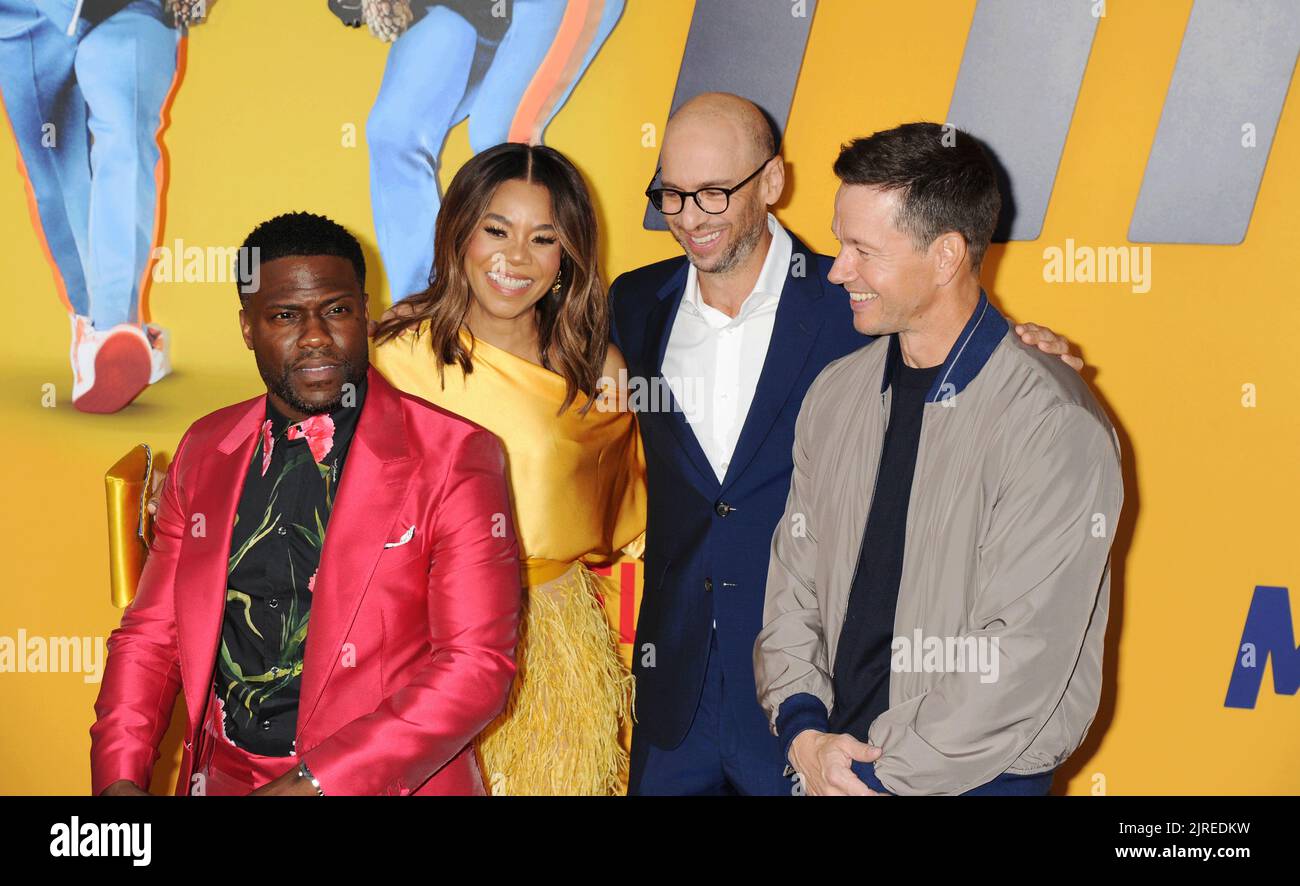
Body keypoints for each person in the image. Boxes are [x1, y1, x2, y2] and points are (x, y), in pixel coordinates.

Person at [610, 92, 1083, 795]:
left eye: (712, 192)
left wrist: (1029, 346)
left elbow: (954, 329)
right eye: (670, 194)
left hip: (821, 708)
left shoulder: (854, 304)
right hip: (676, 694)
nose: (687, 216)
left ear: (771, 183)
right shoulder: (632, 303)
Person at [91, 212, 521, 795]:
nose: (315, 335)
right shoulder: (206, 447)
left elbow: (473, 670)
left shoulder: (454, 457)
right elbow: (152, 634)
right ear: (248, 328)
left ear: (366, 313)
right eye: (285, 316)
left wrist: (314, 785)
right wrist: (119, 775)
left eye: (337, 310)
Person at [757, 122, 1123, 796]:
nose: (838, 270)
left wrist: (874, 772)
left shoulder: (1050, 421)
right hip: (830, 766)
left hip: (975, 780)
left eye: (863, 250)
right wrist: (806, 733)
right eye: (841, 244)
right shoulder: (836, 394)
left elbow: (1018, 659)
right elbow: (793, 586)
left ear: (947, 254)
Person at [372, 142, 643, 795]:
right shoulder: (394, 357)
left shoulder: (596, 370)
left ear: (566, 257)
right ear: (459, 232)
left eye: (543, 238)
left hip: (555, 652)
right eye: (496, 230)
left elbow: (627, 519)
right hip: (420, 645)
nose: (515, 257)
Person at [0, 0, 202, 413]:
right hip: (23, 16)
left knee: (123, 134)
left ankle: (113, 328)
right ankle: (95, 326)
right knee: (55, 178)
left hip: (133, 8)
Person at [361, 0, 625, 303]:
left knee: (502, 142)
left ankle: (563, 315)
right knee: (396, 132)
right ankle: (424, 303)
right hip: (454, 8)